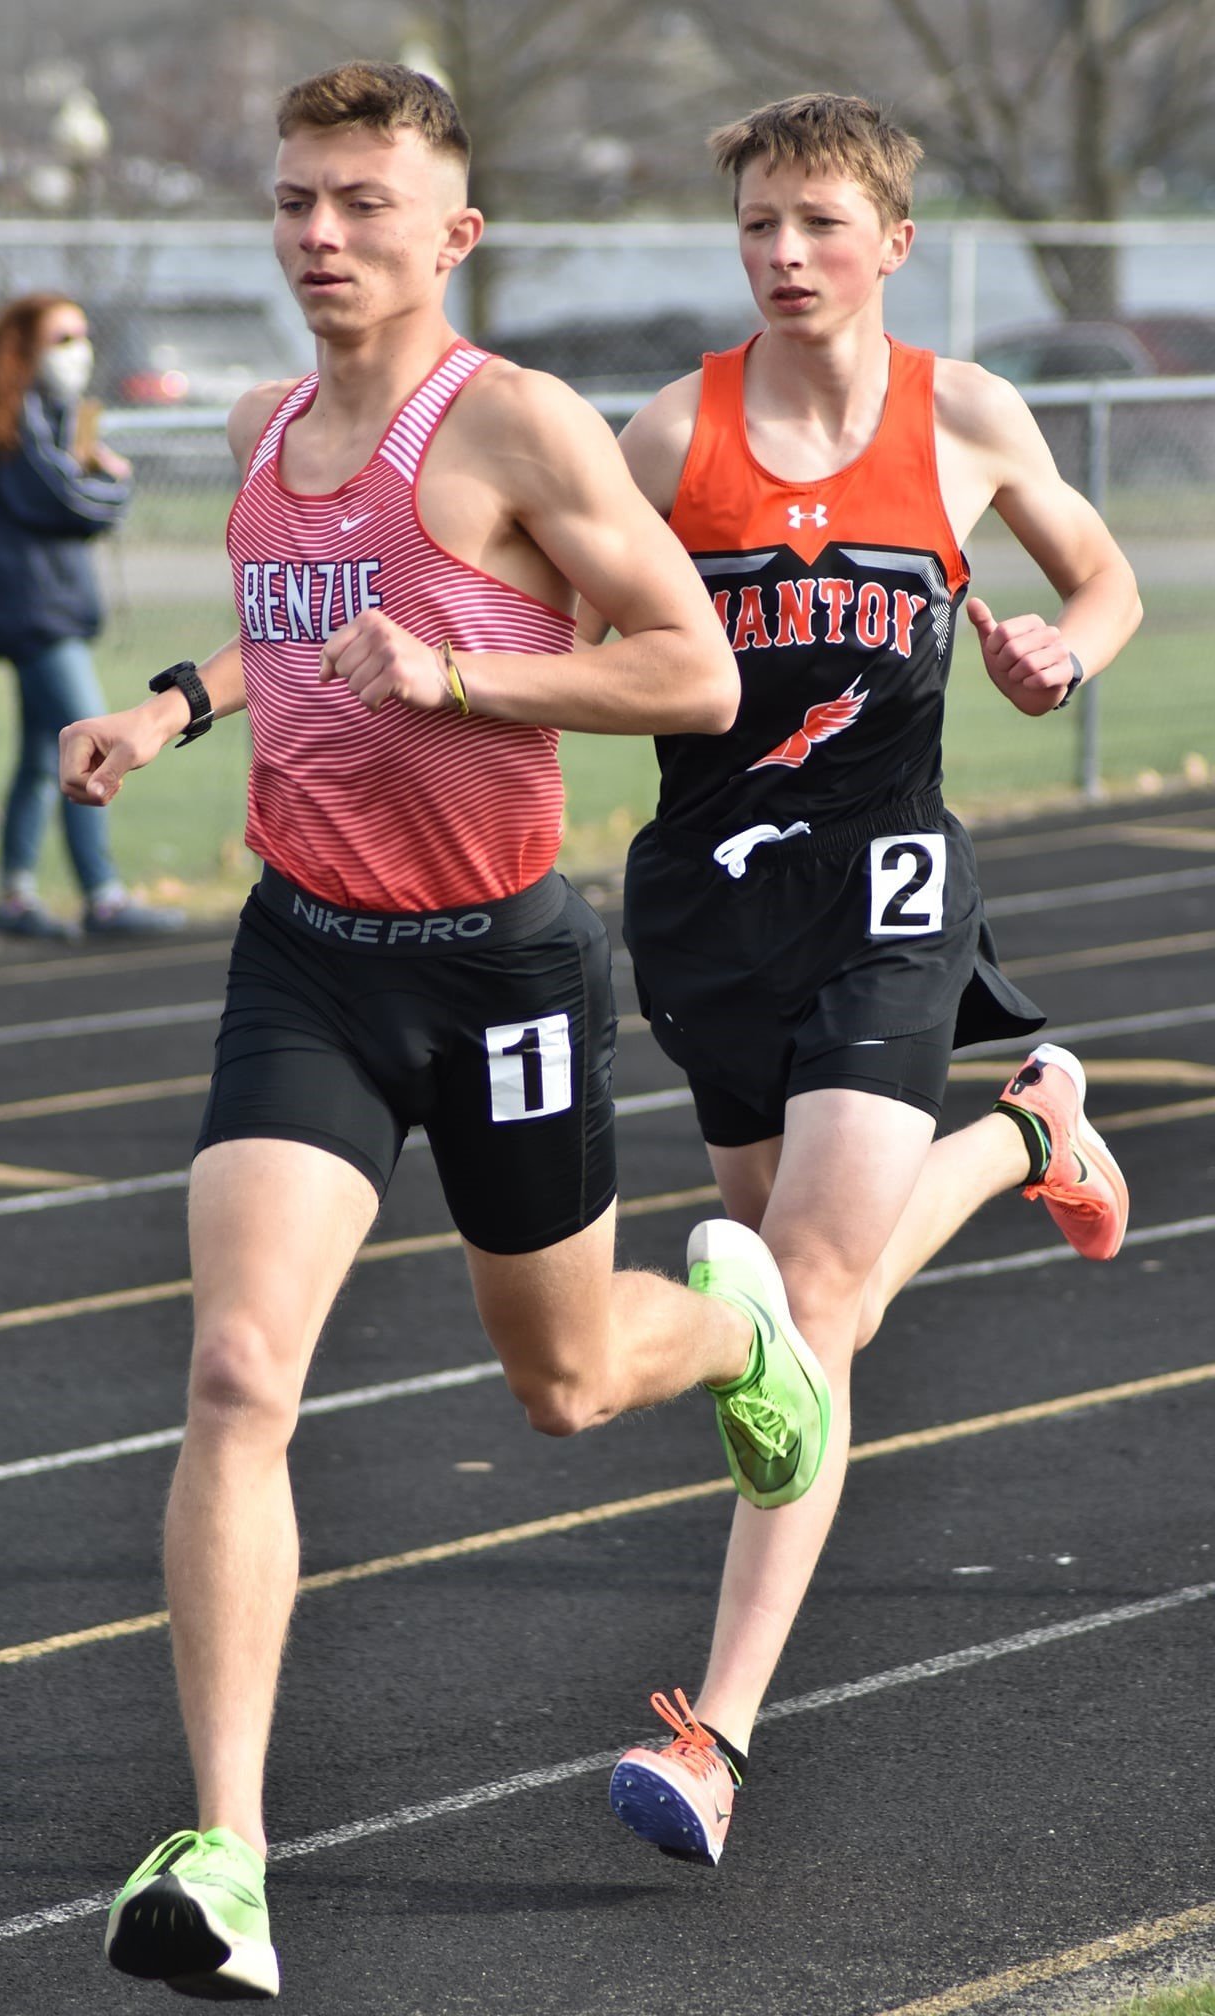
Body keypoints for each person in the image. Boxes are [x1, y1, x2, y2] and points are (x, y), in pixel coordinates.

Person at [57, 63, 835, 2002]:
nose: (322, 235)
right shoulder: (257, 428)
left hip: (499, 968)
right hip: (305, 959)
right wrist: (175, 704)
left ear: (449, 231)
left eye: (363, 204)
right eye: (297, 200)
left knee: (562, 1387)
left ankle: (743, 1331)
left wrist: (467, 676)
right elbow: (306, 613)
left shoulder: (517, 425)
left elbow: (692, 668)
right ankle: (223, 1854)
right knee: (239, 1370)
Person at [595, 92, 1141, 1869]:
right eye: (756, 224)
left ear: (891, 243)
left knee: (804, 1302)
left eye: (818, 225)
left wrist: (1069, 648)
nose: (783, 255)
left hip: (891, 885)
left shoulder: (961, 415)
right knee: (789, 1305)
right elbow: (550, 608)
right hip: (706, 900)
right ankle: (1021, 1133)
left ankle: (713, 1737)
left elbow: (1100, 573)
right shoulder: (666, 431)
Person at [0, 293, 185, 939]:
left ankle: (14, 898)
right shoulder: (14, 424)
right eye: (62, 338)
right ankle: (104, 897)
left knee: (35, 757)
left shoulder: (51, 417)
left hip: (48, 609)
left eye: (81, 335)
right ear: (24, 349)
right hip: (34, 615)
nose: (78, 350)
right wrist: (118, 481)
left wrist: (95, 468)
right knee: (92, 742)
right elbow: (71, 503)